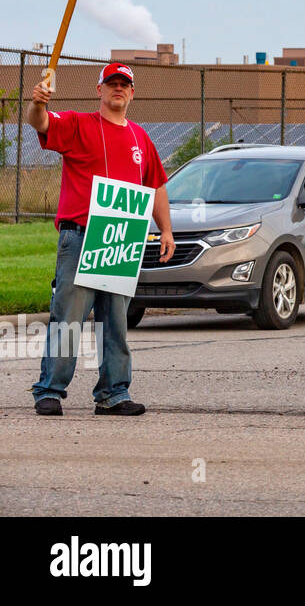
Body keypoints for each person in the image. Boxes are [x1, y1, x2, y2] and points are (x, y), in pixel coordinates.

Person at [28, 63, 174, 416]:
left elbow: (155, 185)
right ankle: (50, 389)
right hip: (80, 236)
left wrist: (165, 229)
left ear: (132, 92)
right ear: (100, 90)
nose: (118, 89)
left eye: (124, 84)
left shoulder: (141, 138)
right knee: (68, 318)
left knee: (116, 322)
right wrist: (38, 102)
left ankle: (114, 394)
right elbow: (40, 122)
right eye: (112, 84)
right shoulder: (78, 125)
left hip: (122, 239)